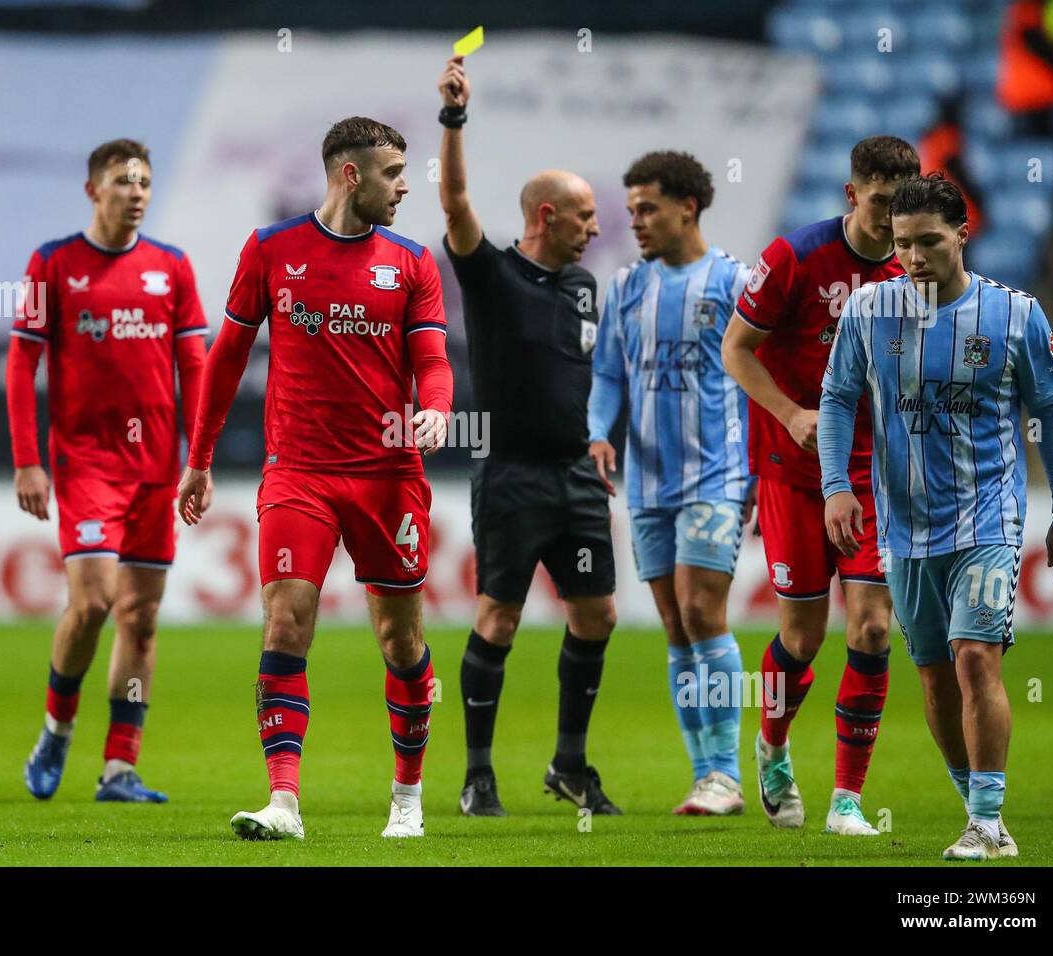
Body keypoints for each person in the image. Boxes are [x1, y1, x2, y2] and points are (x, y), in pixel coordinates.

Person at [178, 117, 454, 840]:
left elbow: (432, 357)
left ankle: (407, 799)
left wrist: (438, 408)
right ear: (351, 175)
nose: (404, 187)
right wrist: (200, 458)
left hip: (389, 474)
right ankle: (283, 802)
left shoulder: (412, 262)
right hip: (299, 471)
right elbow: (227, 356)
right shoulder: (272, 250)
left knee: (399, 641)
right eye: (394, 173)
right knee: (285, 620)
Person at [820, 172, 1053, 860]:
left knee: (974, 659)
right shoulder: (868, 312)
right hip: (905, 528)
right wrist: (835, 487)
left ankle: (988, 821)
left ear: (963, 234)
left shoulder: (1014, 316)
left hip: (987, 518)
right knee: (934, 676)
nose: (912, 257)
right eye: (902, 244)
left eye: (928, 241)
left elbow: (1050, 418)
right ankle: (980, 815)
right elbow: (839, 400)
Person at [435, 54, 620, 817]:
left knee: (596, 615)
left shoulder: (584, 286)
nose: (597, 228)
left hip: (575, 476)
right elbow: (454, 205)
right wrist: (453, 118)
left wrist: (602, 435)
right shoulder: (490, 273)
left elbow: (586, 372)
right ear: (547, 215)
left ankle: (569, 765)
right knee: (499, 619)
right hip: (510, 475)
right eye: (584, 217)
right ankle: (479, 775)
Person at [721, 136, 919, 835]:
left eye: (904, 205)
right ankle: (772, 745)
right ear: (852, 194)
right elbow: (735, 350)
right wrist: (790, 412)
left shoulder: (914, 271)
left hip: (872, 478)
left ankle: (846, 800)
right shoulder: (796, 257)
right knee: (801, 639)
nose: (893, 219)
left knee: (870, 628)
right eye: (881, 202)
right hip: (793, 471)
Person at [9, 138, 210, 803]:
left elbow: (194, 368)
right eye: (124, 181)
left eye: (146, 182)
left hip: (157, 467)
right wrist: (27, 462)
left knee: (142, 620)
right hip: (88, 464)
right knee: (92, 601)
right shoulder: (53, 263)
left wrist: (198, 459)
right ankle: (57, 729)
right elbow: (21, 364)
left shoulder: (171, 268)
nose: (138, 192)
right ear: (94, 190)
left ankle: (120, 768)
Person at [588, 151, 753, 815]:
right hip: (648, 482)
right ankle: (706, 774)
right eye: (631, 211)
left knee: (700, 607)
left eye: (648, 208)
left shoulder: (737, 283)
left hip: (717, 471)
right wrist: (600, 431)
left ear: (689, 206)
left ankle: (727, 773)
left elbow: (763, 374)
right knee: (673, 621)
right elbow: (607, 374)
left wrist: (766, 467)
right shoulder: (627, 287)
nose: (637, 223)